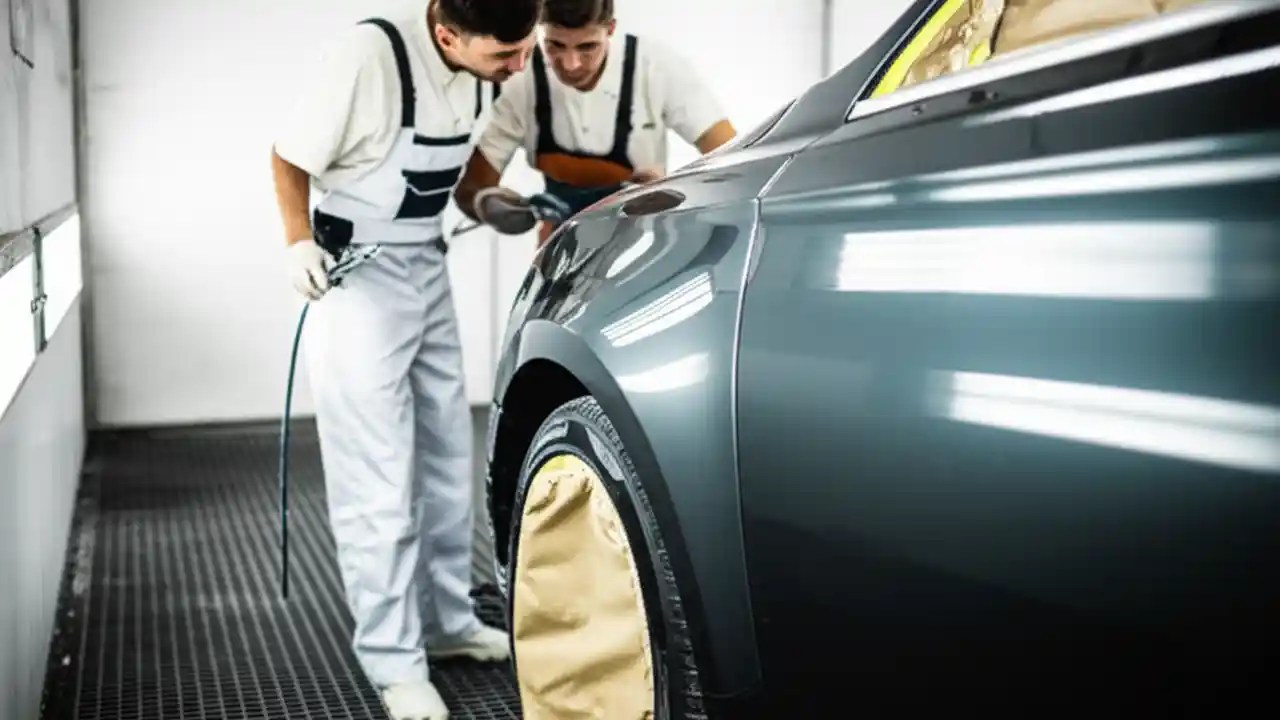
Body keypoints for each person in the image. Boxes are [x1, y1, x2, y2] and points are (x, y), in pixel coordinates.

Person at [268, 1, 540, 718]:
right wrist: (297, 239)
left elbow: (446, 174)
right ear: (448, 35)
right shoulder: (369, 56)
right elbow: (290, 156)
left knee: (450, 451)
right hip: (359, 275)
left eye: (523, 51)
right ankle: (393, 660)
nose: (518, 67)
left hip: (427, 263)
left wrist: (489, 204)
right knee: (379, 475)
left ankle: (449, 622)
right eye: (503, 56)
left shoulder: (484, 65)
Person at [452, 0, 737, 245]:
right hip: (561, 242)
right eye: (555, 45)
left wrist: (673, 192)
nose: (570, 63)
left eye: (587, 47)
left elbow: (735, 163)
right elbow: (470, 189)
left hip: (644, 240)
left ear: (610, 29)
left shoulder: (657, 68)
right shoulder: (521, 81)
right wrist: (490, 206)